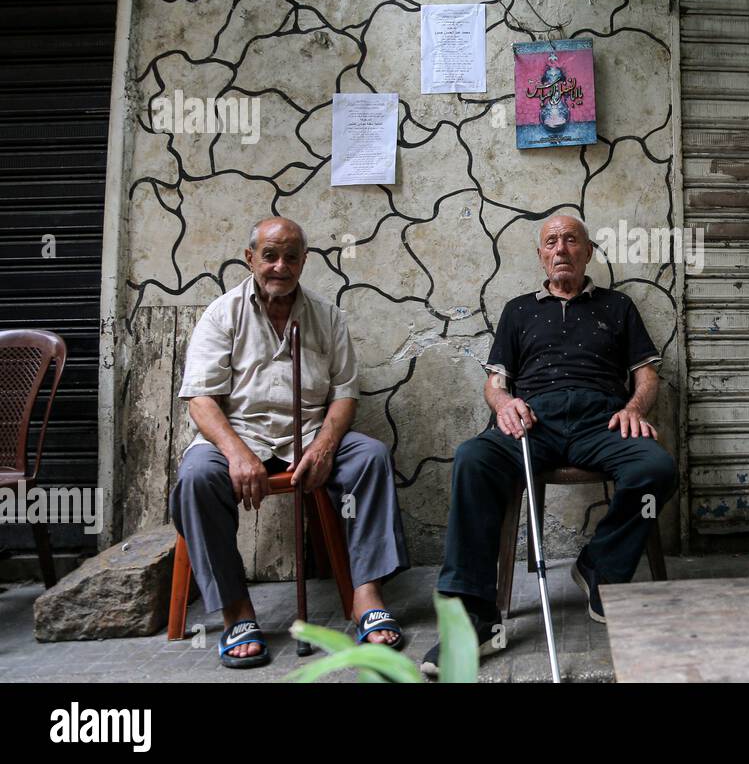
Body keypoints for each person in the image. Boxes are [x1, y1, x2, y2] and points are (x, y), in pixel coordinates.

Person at [422, 213, 678, 676]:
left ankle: (599, 565)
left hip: (602, 419)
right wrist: (504, 404)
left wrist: (635, 408)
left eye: (571, 240)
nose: (561, 249)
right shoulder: (518, 310)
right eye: (551, 242)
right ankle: (471, 620)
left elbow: (646, 375)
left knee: (656, 468)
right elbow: (495, 382)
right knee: (473, 459)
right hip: (533, 421)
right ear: (541, 255)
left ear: (587, 252)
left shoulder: (618, 306)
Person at [169, 217, 410, 668]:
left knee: (370, 457)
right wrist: (237, 453)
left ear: (304, 262)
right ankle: (236, 611)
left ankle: (366, 596)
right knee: (197, 477)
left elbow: (343, 395)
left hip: (307, 436)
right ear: (250, 259)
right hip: (238, 436)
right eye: (270, 256)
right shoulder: (222, 313)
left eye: (291, 257)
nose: (280, 266)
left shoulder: (326, 315)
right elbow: (200, 401)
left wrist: (324, 445)